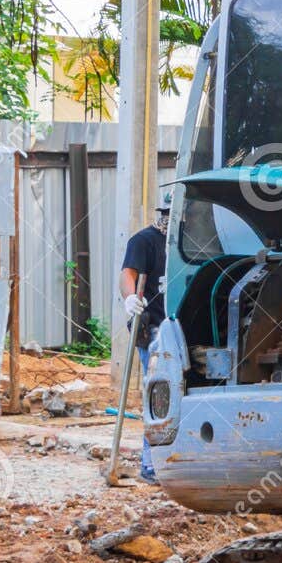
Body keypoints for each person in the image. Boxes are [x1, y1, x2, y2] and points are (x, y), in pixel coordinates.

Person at [120, 191, 170, 484]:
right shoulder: (145, 241)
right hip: (154, 328)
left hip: (183, 328)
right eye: (166, 213)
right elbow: (128, 274)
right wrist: (129, 298)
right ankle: (150, 465)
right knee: (157, 396)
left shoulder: (193, 240)